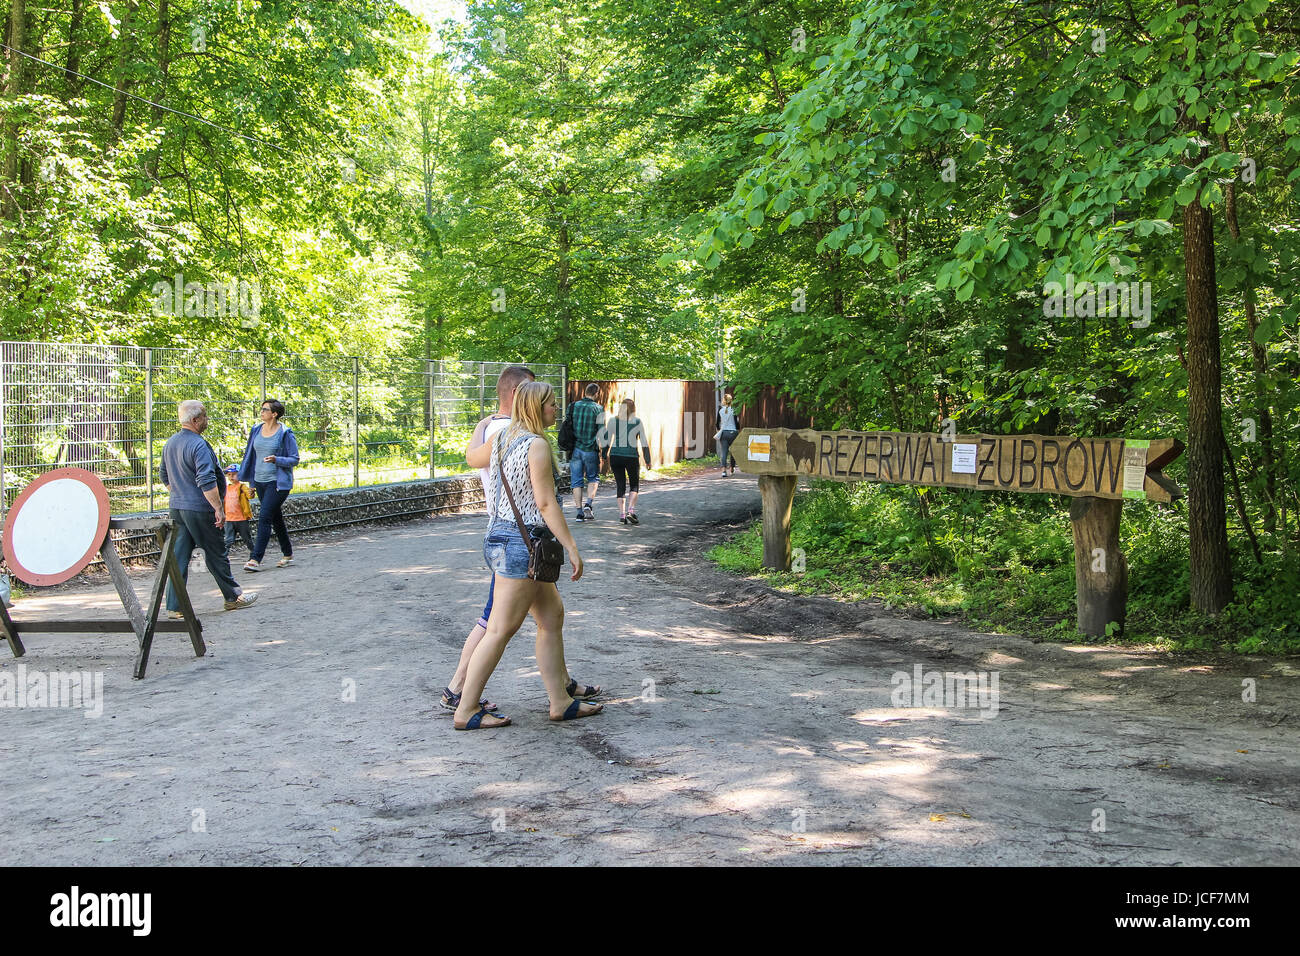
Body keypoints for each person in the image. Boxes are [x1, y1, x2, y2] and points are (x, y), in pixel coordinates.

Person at [454, 381, 603, 730]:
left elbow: (472, 457)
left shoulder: (502, 438)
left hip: (502, 536)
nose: (556, 410)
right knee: (500, 630)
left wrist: (480, 425)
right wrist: (572, 546)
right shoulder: (536, 445)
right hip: (524, 544)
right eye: (551, 404)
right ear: (537, 408)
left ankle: (561, 701)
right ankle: (466, 709)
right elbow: (546, 503)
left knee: (551, 617)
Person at [160, 400, 258, 618]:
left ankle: (175, 606)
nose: (207, 420)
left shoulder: (170, 443)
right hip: (200, 509)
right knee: (216, 552)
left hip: (177, 507)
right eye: (204, 416)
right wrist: (218, 508)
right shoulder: (198, 445)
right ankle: (233, 597)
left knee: (179, 556)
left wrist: (180, 493)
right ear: (195, 420)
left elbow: (164, 476)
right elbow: (206, 479)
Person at [239, 399, 299, 572]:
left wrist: (277, 459)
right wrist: (251, 482)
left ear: (274, 414)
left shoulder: (285, 433)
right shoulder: (256, 430)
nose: (261, 411)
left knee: (265, 517)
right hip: (260, 481)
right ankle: (287, 553)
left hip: (278, 483)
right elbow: (251, 457)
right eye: (262, 409)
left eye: (265, 409)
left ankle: (255, 559)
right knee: (275, 517)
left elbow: (294, 459)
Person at [600, 398, 652, 524]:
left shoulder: (613, 420)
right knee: (634, 484)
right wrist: (648, 459)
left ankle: (622, 514)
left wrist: (604, 454)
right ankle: (631, 510)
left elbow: (606, 439)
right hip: (631, 456)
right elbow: (644, 441)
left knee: (620, 485)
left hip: (616, 456)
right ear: (633, 409)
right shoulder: (637, 422)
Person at [568, 383, 605, 521]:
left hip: (576, 449)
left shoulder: (573, 406)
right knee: (593, 478)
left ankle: (579, 513)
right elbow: (602, 432)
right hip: (591, 450)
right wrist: (605, 450)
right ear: (596, 393)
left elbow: (568, 425)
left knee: (576, 481)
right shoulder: (598, 409)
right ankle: (588, 504)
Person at [223, 464, 254, 552]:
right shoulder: (226, 488)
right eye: (229, 474)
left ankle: (254, 554)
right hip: (229, 518)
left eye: (234, 474)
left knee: (247, 539)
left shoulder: (242, 486)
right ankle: (224, 557)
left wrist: (251, 491)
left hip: (241, 518)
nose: (231, 476)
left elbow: (249, 495)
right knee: (228, 540)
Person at [716, 392, 740, 476]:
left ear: (723, 400)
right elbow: (737, 424)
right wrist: (737, 430)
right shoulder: (734, 409)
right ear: (731, 401)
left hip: (724, 433)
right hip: (733, 433)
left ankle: (723, 471)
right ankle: (732, 468)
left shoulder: (720, 410)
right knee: (733, 451)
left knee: (724, 452)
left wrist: (719, 431)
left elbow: (717, 423)